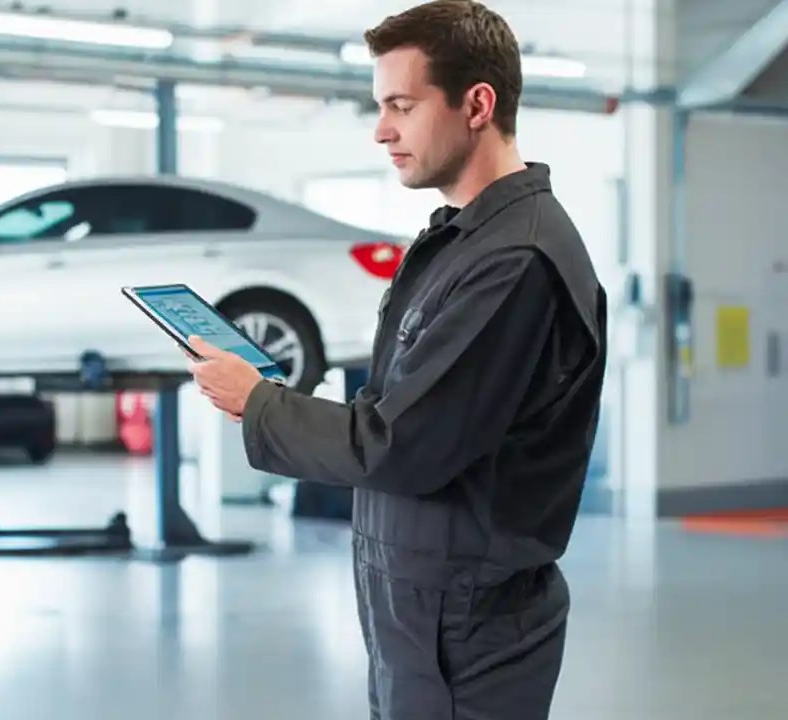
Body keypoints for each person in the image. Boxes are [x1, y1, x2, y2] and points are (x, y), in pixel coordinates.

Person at [185, 1, 608, 718]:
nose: (382, 130)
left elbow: (402, 444)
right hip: (425, 611)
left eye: (401, 106)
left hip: (465, 625)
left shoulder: (513, 262)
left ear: (478, 104)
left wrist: (258, 401)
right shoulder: (461, 241)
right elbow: (397, 408)